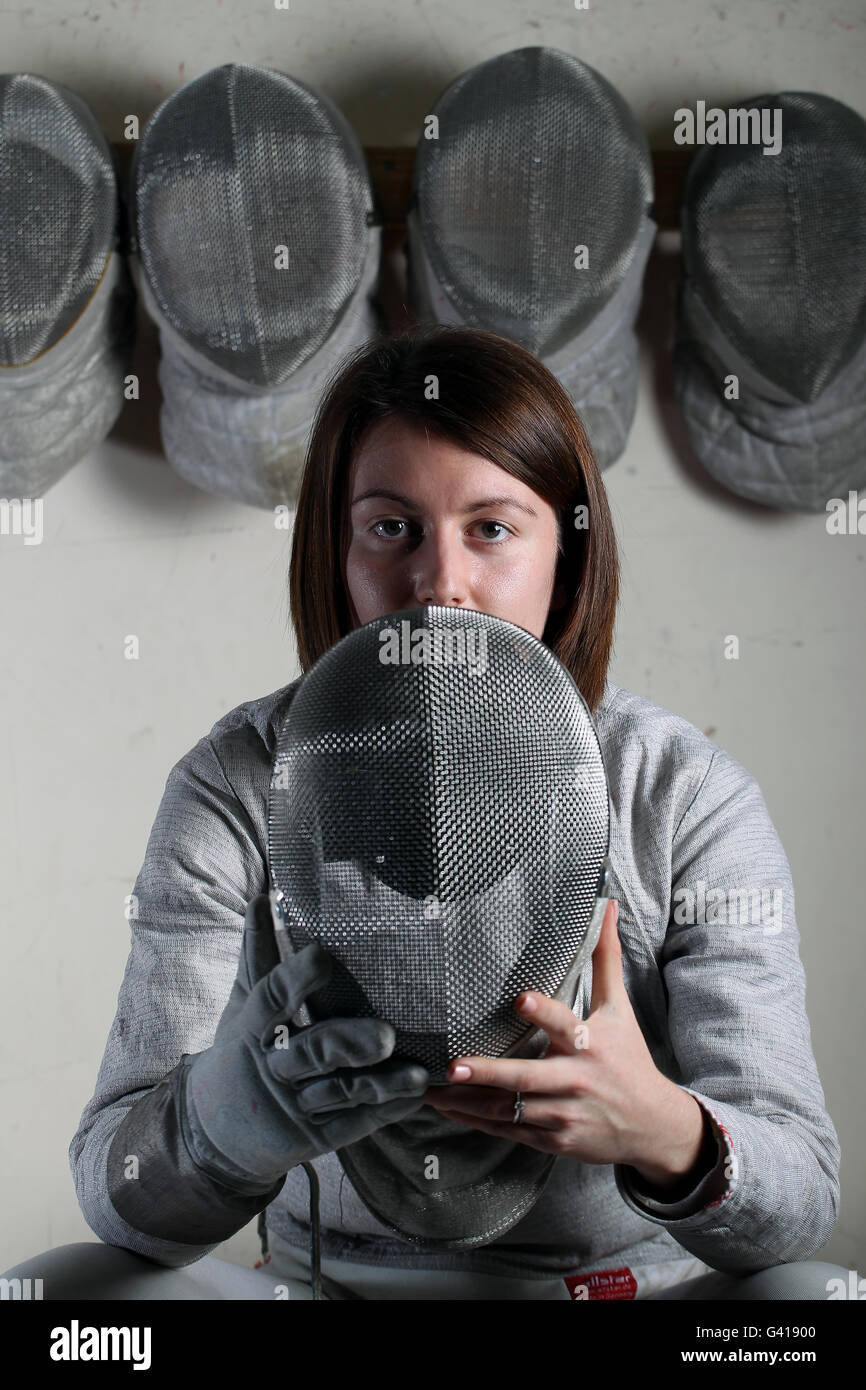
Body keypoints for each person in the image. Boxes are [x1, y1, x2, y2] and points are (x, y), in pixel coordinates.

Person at [2, 327, 846, 1301]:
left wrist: (666, 1130)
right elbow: (118, 1197)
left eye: (490, 528)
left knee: (811, 1303)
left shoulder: (681, 792)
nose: (439, 583)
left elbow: (800, 1193)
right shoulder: (237, 783)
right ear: (338, 550)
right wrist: (220, 1120)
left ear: (564, 558)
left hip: (619, 1294)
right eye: (392, 527)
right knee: (58, 1300)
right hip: (326, 1292)